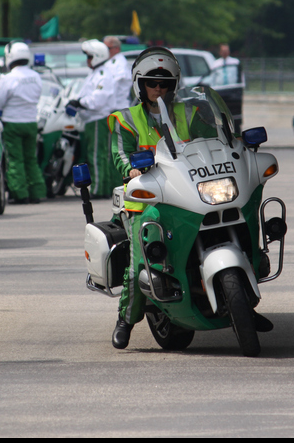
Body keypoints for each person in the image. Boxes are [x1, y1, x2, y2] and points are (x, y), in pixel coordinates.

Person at [106, 46, 272, 349]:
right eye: (152, 83)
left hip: (189, 190)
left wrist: (237, 146)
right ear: (139, 85)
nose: (158, 89)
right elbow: (120, 156)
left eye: (165, 84)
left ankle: (244, 304)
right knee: (138, 261)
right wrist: (131, 169)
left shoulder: (191, 111)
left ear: (174, 85)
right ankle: (126, 320)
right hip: (148, 198)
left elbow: (215, 138)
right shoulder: (125, 119)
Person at [0, 42, 47, 204]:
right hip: (30, 122)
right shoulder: (35, 76)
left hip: (12, 123)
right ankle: (37, 192)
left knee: (15, 160)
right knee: (31, 159)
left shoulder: (8, 78)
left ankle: (20, 194)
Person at [68, 39, 121, 198]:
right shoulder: (96, 73)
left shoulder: (103, 75)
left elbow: (97, 100)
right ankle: (103, 187)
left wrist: (80, 102)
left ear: (97, 56)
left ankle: (99, 189)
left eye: (90, 57)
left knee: (97, 155)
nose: (87, 60)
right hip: (92, 120)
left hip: (98, 119)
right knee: (98, 154)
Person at [104, 36, 132, 112]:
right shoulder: (111, 62)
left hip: (118, 108)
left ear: (116, 48)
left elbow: (114, 85)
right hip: (113, 107)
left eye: (108, 48)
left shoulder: (120, 63)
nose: (105, 51)